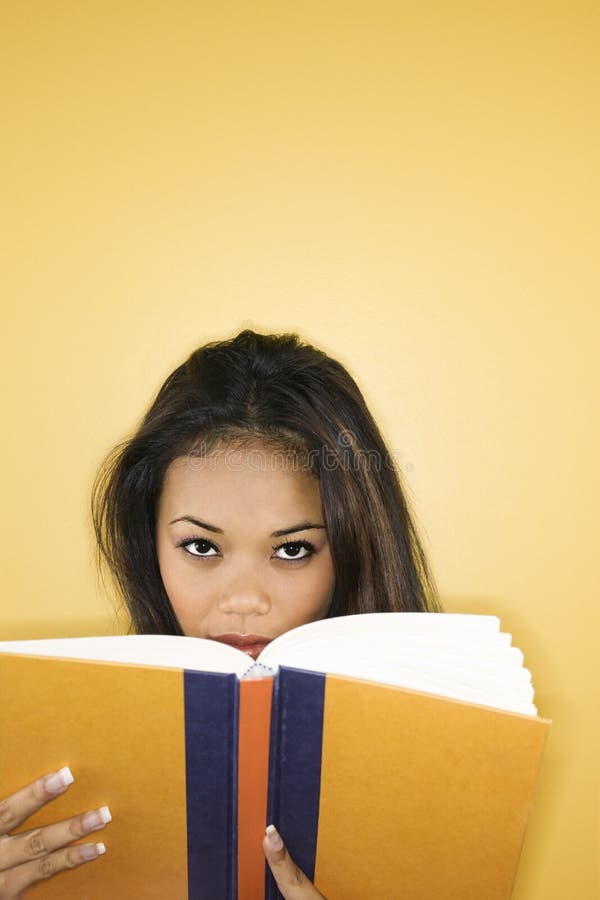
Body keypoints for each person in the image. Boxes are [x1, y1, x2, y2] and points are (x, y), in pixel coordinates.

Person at [0, 329, 439, 899]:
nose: (244, 600)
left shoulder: (445, 754)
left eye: (292, 549)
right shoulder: (41, 748)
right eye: (202, 547)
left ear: (354, 551)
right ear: (148, 544)